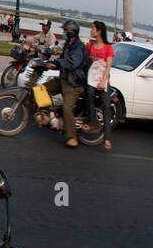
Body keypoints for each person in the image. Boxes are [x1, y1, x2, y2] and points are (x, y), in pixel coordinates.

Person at [46, 19, 88, 145]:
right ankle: (50, 115)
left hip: (74, 83)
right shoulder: (69, 44)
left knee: (67, 107)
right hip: (64, 79)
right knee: (42, 89)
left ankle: (73, 137)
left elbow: (72, 63)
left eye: (64, 30)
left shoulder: (79, 47)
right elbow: (62, 60)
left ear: (71, 32)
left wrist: (57, 63)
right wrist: (52, 63)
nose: (63, 32)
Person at [85, 21, 115, 150]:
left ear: (99, 31)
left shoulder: (108, 48)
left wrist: (103, 81)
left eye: (93, 29)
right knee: (89, 94)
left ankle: (107, 137)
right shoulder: (90, 45)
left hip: (103, 80)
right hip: (91, 79)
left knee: (106, 105)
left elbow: (108, 66)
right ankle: (91, 122)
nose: (91, 31)